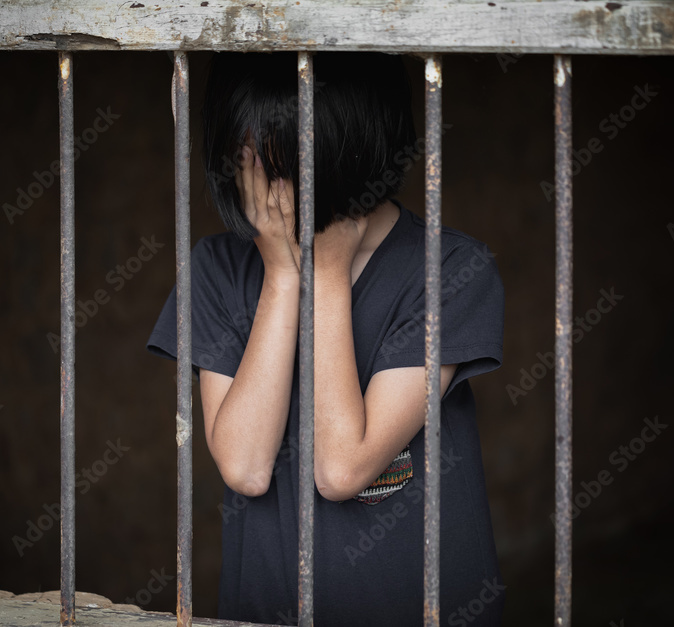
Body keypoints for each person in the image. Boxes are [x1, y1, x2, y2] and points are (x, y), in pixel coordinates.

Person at [146, 51, 505, 627]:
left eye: (284, 161)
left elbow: (342, 469)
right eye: (248, 160)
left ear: (353, 147)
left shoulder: (450, 271)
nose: (269, 187)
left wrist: (329, 271)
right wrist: (284, 276)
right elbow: (245, 466)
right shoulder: (217, 268)